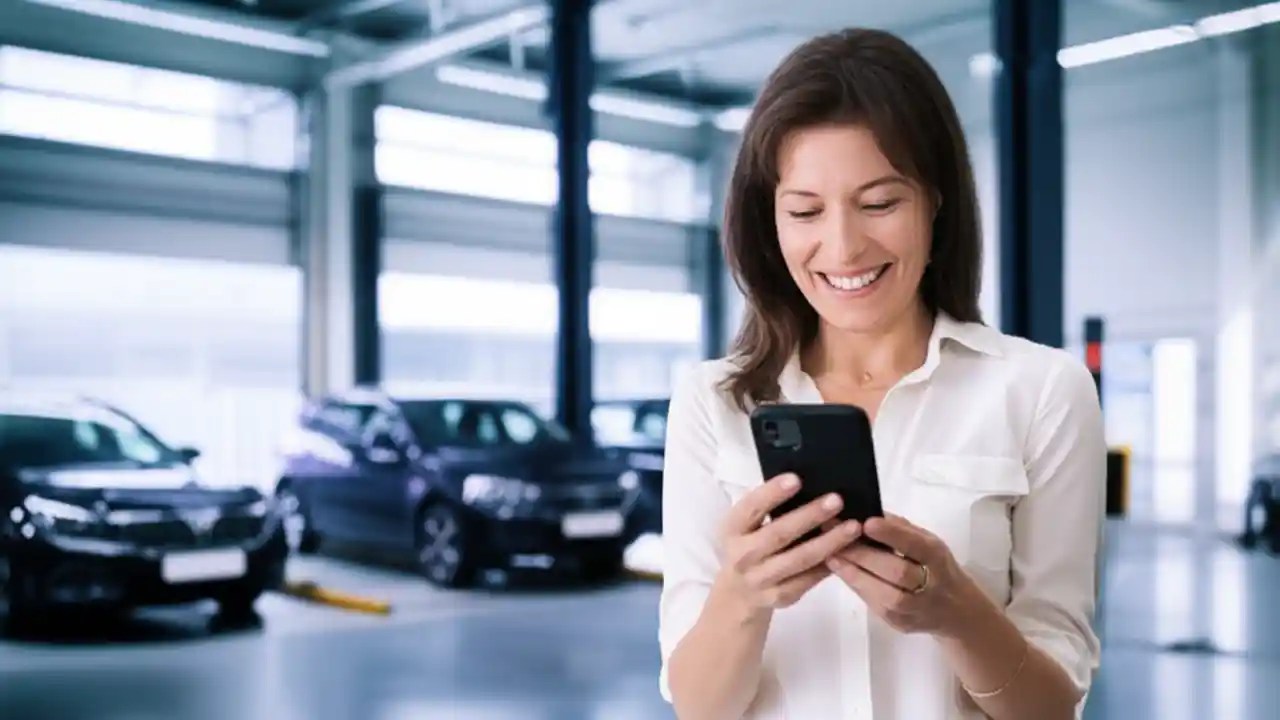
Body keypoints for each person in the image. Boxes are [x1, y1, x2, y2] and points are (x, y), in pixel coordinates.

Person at [658, 28, 1106, 720]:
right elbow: (697, 706)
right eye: (805, 211)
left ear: (936, 201)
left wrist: (959, 615)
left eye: (879, 204)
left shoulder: (1043, 391)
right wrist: (741, 598)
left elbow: (1051, 707)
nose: (842, 248)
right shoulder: (711, 402)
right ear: (769, 221)